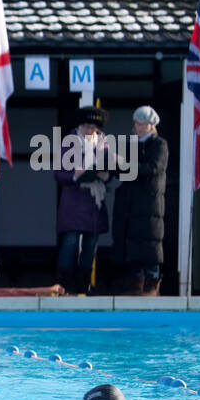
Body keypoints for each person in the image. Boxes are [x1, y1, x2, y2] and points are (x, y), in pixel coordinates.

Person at [54, 106, 112, 295]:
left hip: (94, 201)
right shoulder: (69, 142)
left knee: (90, 247)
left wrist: (106, 175)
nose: (89, 131)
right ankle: (63, 286)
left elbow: (110, 168)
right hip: (74, 200)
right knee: (70, 244)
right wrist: (74, 175)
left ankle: (82, 288)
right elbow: (59, 173)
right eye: (86, 127)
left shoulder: (104, 144)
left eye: (93, 128)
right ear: (80, 125)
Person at [112, 106, 168, 296]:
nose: (139, 127)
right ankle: (136, 282)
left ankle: (152, 283)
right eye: (137, 123)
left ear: (151, 126)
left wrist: (125, 165)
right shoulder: (129, 145)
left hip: (150, 203)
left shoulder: (159, 145)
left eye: (143, 124)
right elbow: (120, 173)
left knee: (151, 244)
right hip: (131, 203)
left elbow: (153, 167)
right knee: (133, 245)